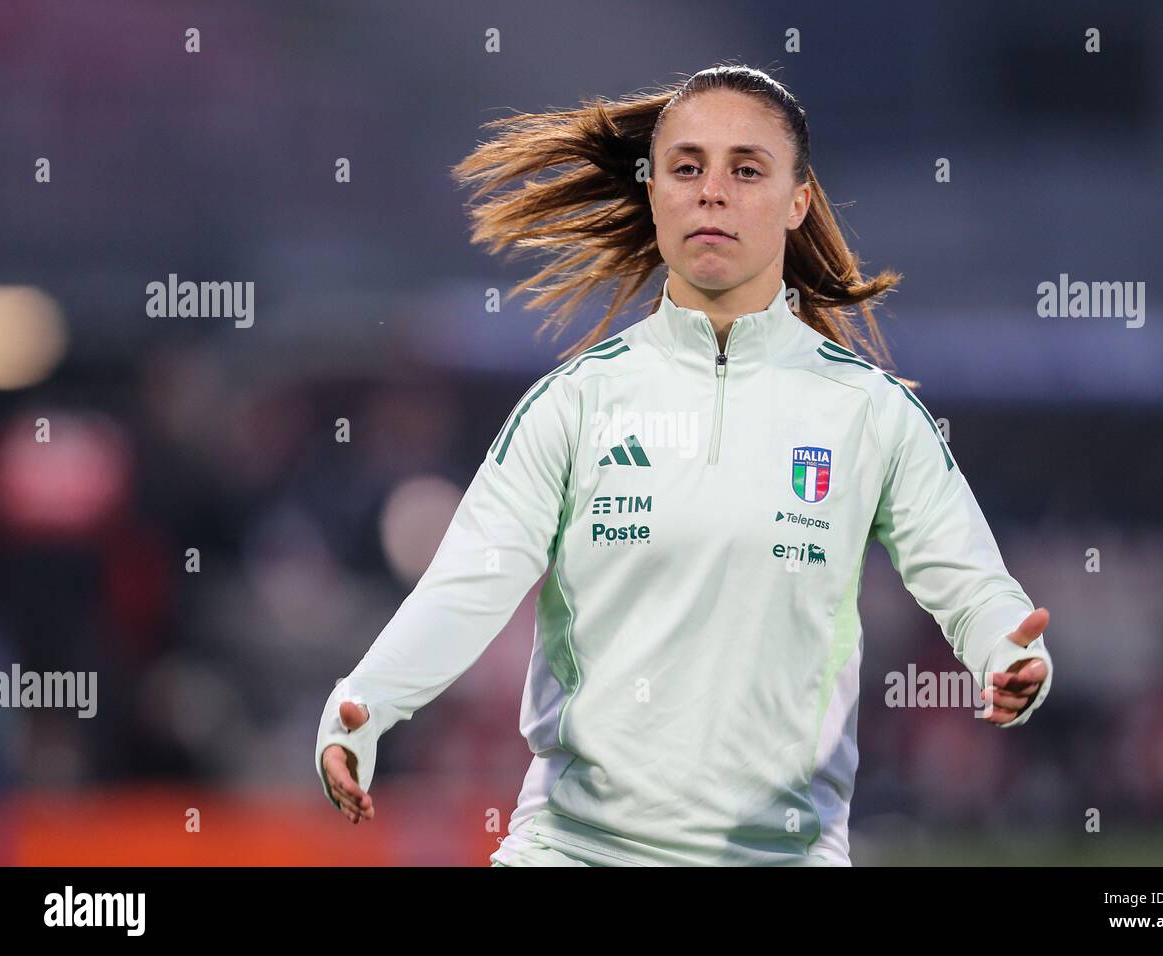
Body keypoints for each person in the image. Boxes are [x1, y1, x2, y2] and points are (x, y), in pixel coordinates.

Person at [316, 64, 1054, 866]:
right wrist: (364, 703)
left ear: (797, 201)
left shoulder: (870, 415)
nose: (712, 192)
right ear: (655, 193)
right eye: (687, 168)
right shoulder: (576, 404)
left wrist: (1009, 654)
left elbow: (971, 584)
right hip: (573, 850)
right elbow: (465, 584)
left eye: (746, 169)